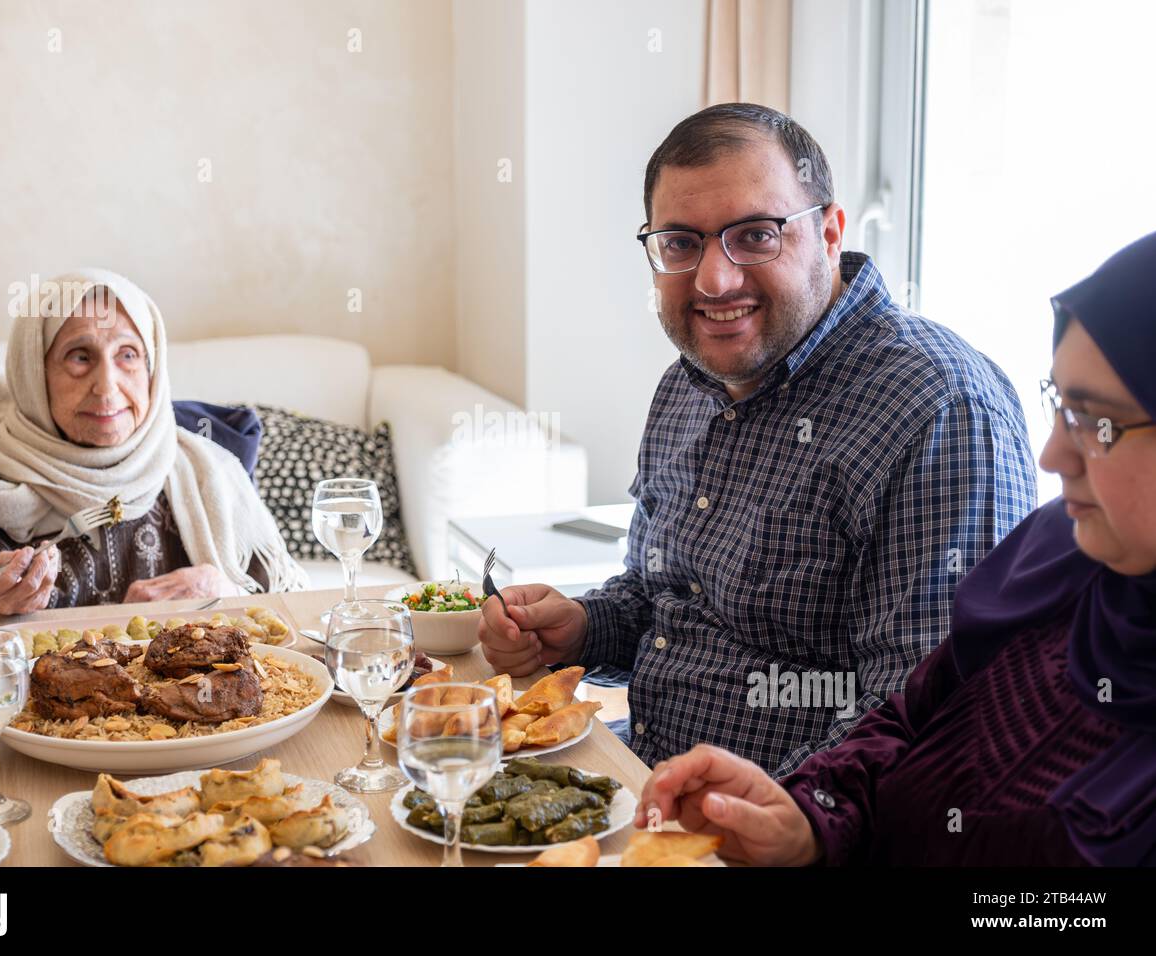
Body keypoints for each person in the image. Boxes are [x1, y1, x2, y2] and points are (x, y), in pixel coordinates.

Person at [478, 103, 1037, 774]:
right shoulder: (689, 383)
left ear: (829, 233)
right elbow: (667, 600)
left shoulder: (940, 411)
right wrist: (581, 627)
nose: (715, 280)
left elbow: (931, 716)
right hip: (640, 775)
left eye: (755, 235)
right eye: (681, 243)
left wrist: (776, 816)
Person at [636, 232, 1156, 866]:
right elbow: (911, 718)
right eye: (1060, 405)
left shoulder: (940, 400)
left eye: (1097, 422)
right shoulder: (1057, 558)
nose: (1054, 456)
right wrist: (806, 819)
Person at [0, 268, 307, 615]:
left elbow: (298, 624)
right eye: (80, 357)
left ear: (152, 370)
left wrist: (228, 593)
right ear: (33, 372)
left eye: (128, 355)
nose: (106, 388)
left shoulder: (207, 477)